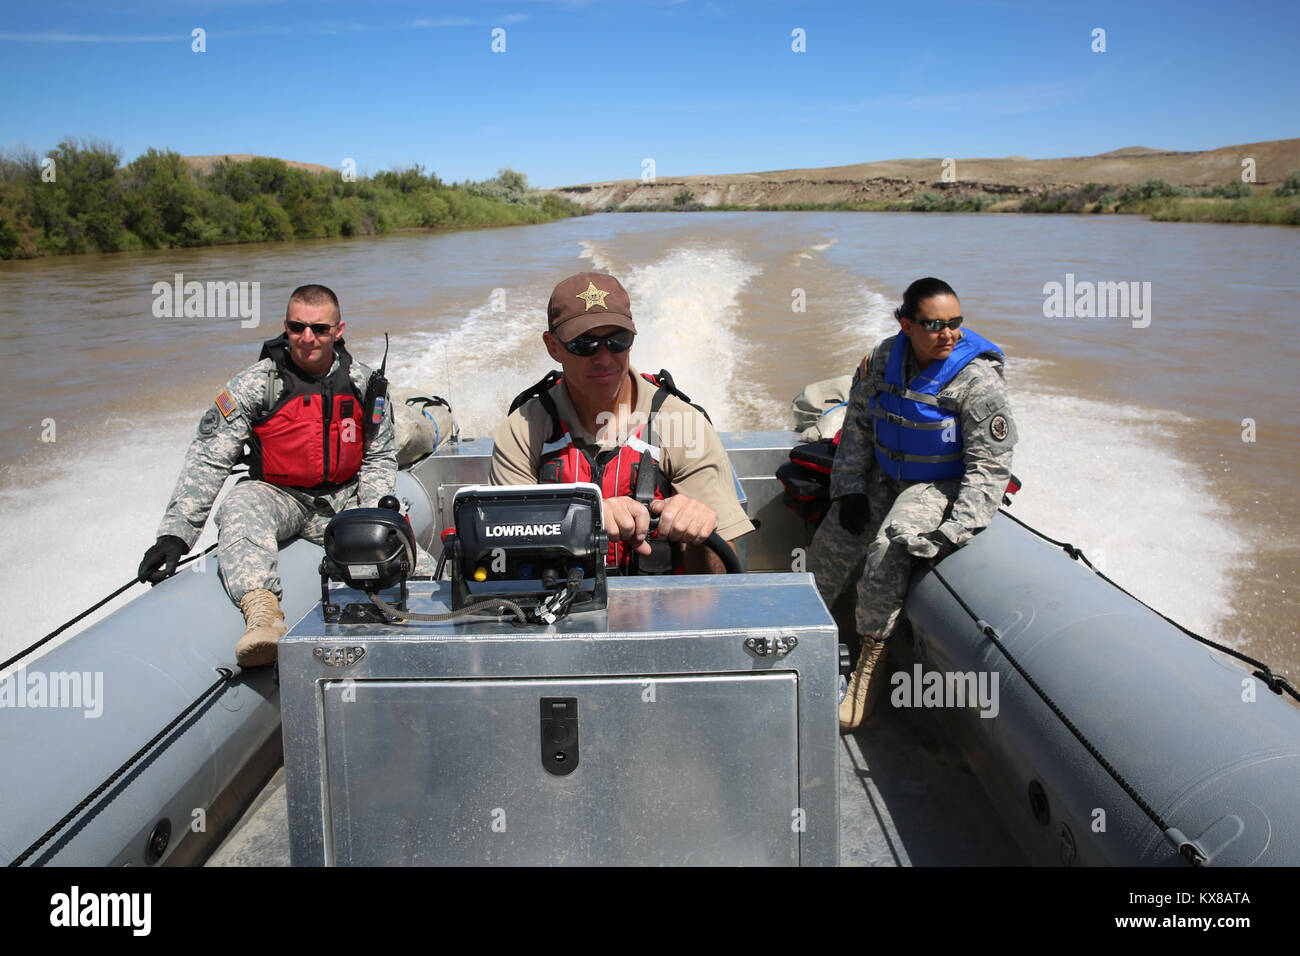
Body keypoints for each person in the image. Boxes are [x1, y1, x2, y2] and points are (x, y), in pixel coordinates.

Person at [137, 284, 397, 666]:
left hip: (345, 497)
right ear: (286, 327)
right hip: (281, 496)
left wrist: (371, 518)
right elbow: (210, 459)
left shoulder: (364, 384)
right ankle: (263, 615)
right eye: (297, 327)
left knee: (416, 564)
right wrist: (176, 534)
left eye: (320, 329)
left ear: (338, 331)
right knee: (239, 502)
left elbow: (379, 454)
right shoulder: (255, 385)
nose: (307, 338)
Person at [811, 277, 1017, 730]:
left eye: (956, 323)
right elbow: (859, 427)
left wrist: (956, 529)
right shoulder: (883, 360)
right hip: (885, 473)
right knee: (827, 547)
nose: (949, 334)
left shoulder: (977, 380)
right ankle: (809, 651)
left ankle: (868, 667)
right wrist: (848, 490)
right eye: (935, 324)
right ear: (906, 324)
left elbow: (988, 469)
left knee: (888, 550)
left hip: (940, 483)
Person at [490, 271, 754, 572]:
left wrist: (701, 535)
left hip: (665, 612)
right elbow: (501, 553)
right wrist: (585, 520)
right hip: (552, 612)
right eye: (584, 344)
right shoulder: (523, 429)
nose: (604, 358)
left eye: (618, 340)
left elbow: (719, 580)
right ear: (553, 347)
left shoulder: (682, 425)